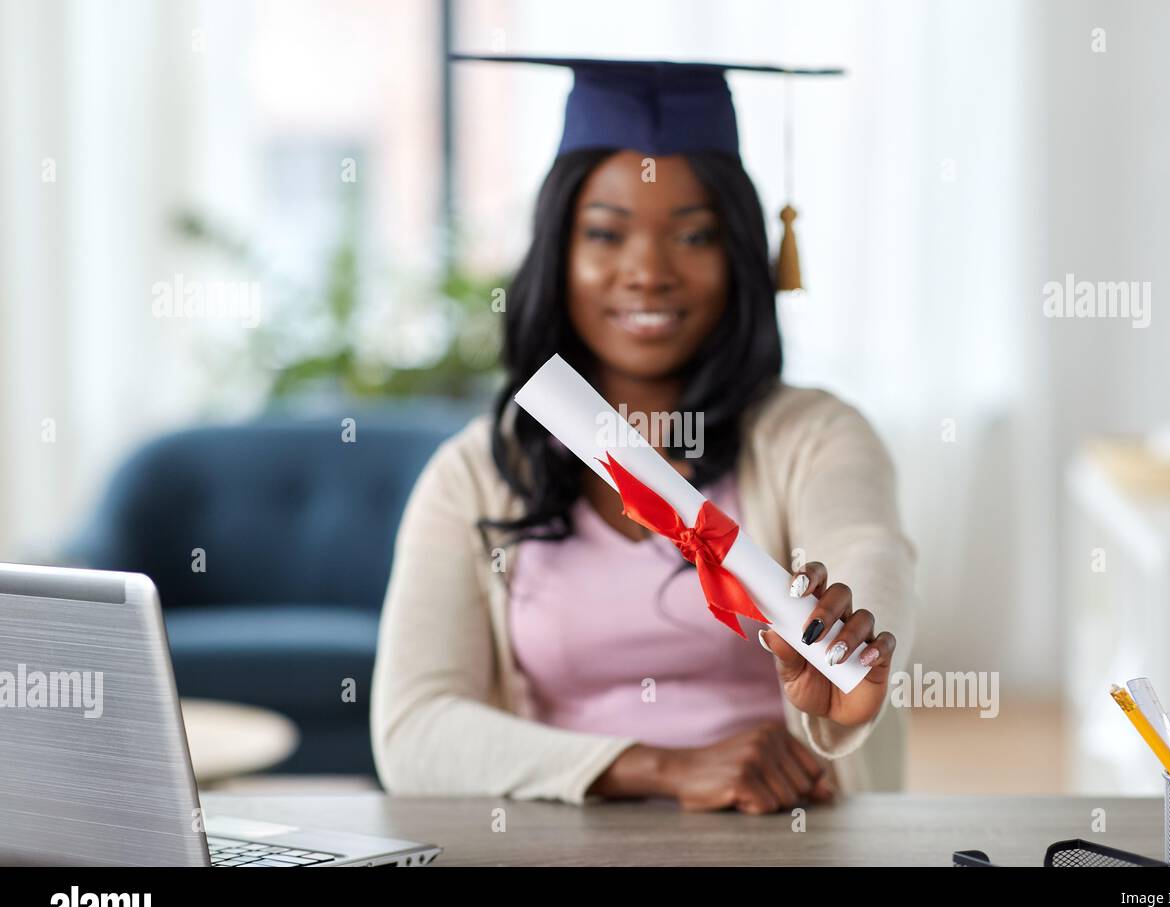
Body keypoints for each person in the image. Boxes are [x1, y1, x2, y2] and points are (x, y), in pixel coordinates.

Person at [371, 56, 916, 814]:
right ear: (557, 252)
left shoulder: (816, 437)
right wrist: (662, 767)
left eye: (694, 237)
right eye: (606, 234)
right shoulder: (476, 471)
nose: (648, 271)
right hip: (559, 849)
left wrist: (851, 657)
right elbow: (414, 731)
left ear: (739, 257)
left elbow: (868, 549)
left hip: (782, 842)